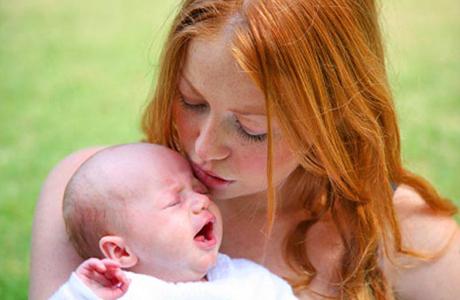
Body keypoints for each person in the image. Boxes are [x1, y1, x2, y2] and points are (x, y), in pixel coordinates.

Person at [30, 0, 460, 299]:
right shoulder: (96, 200)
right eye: (191, 101)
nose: (204, 148)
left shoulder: (403, 234)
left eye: (253, 130)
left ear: (335, 117)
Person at [49, 143, 297, 299]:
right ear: (120, 251)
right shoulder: (122, 292)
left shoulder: (251, 282)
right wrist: (79, 292)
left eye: (199, 189)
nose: (201, 201)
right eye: (174, 202)